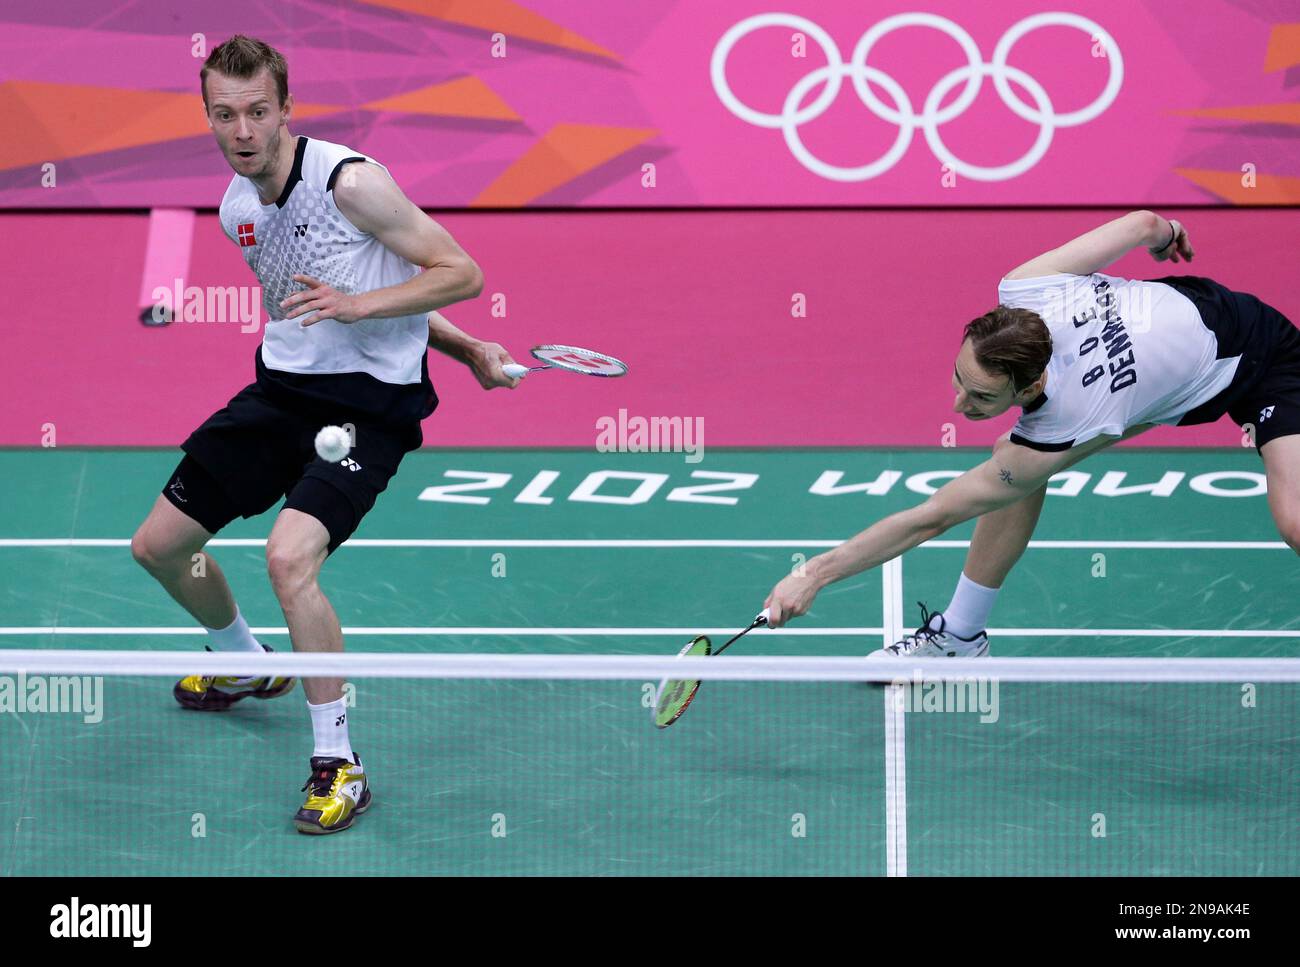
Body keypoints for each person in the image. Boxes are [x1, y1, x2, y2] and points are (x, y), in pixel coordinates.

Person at [129, 35, 517, 833]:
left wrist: (388, 317)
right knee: (159, 546)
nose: (243, 130)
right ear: (207, 116)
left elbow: (459, 271)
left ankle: (339, 763)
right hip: (284, 389)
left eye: (258, 112)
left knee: (288, 558)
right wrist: (465, 345)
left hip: (371, 405)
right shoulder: (238, 209)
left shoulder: (352, 184)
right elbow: (350, 288)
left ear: (287, 110)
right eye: (225, 114)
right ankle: (245, 665)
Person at [763, 210, 1300, 655]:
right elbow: (1140, 224)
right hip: (1173, 358)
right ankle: (959, 636)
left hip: (1262, 361)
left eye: (981, 398)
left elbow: (933, 517)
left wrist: (814, 574)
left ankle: (959, 636)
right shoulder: (1028, 287)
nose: (958, 405)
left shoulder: (1064, 418)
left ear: (1031, 385)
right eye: (959, 379)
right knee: (1016, 468)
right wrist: (1168, 234)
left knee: (1294, 522)